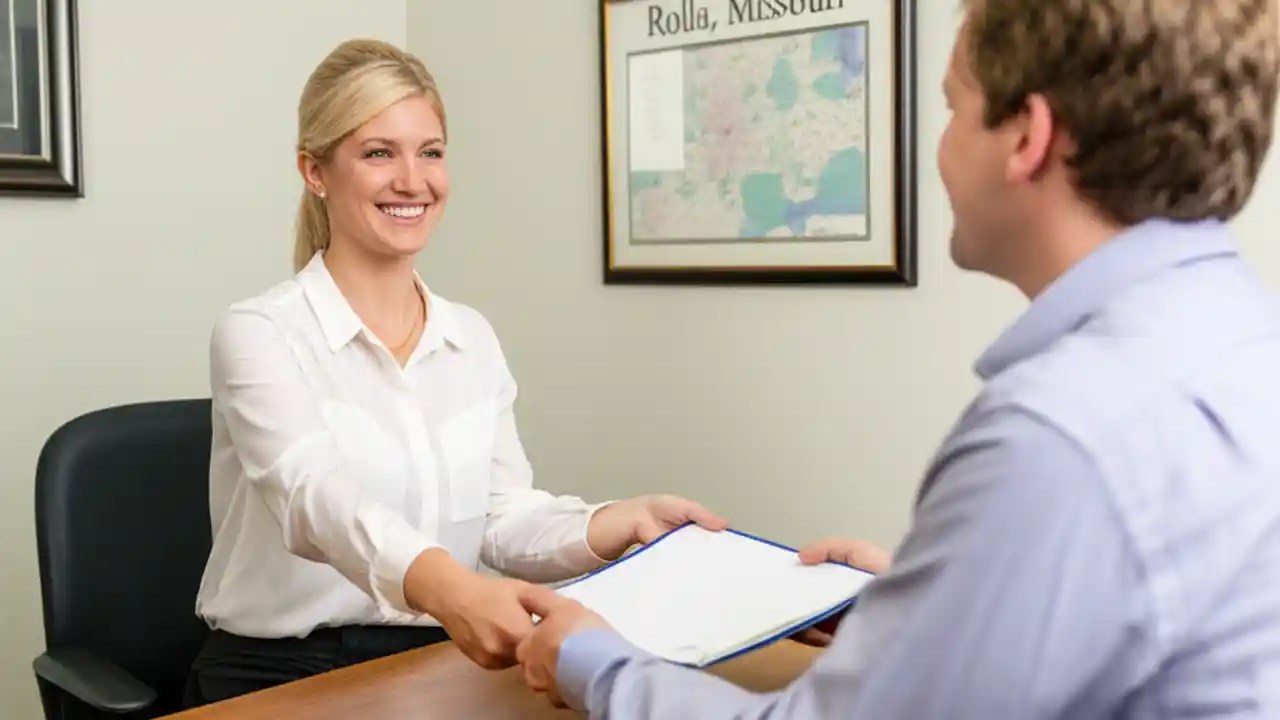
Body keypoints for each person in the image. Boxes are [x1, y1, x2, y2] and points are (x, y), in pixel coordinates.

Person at [515, 1, 1280, 716]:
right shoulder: (1241, 339)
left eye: (953, 108)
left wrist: (592, 659)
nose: (941, 148)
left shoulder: (1059, 434)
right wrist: (936, 611)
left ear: (1026, 138)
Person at [181, 38, 727, 708]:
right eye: (378, 152)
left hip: (442, 660)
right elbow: (311, 500)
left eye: (430, 151)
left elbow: (498, 519)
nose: (413, 180)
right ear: (315, 171)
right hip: (284, 674)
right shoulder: (259, 333)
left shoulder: (470, 337)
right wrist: (453, 588)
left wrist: (614, 523)